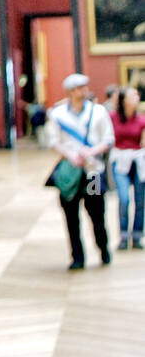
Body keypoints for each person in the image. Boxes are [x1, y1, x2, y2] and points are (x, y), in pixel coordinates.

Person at [48, 73, 115, 270]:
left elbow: (108, 139)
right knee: (71, 215)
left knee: (97, 212)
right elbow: (53, 140)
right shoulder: (58, 114)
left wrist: (91, 151)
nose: (84, 90)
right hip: (70, 173)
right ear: (70, 91)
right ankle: (77, 256)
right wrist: (70, 155)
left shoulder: (98, 112)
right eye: (79, 87)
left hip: (93, 171)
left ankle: (103, 249)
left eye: (85, 86)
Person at [110, 85, 145, 250]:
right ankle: (123, 235)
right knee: (124, 198)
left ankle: (137, 236)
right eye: (132, 96)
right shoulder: (112, 118)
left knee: (140, 200)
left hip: (138, 160)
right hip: (120, 159)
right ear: (123, 100)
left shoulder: (142, 119)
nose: (136, 99)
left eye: (137, 96)